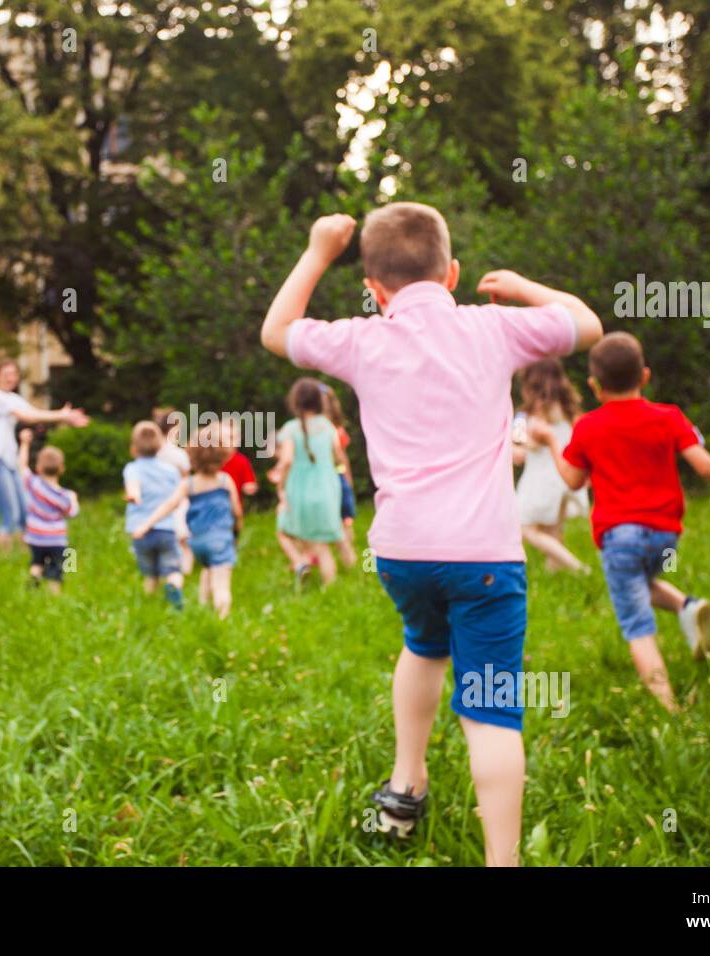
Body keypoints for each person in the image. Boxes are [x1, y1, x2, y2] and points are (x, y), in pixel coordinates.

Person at [261, 203, 602, 864]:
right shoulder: (492, 327)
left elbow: (278, 330)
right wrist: (522, 287)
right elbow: (586, 322)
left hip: (402, 554)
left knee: (423, 645)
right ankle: (502, 859)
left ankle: (404, 786)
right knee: (490, 709)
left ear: (374, 288)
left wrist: (316, 250)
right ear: (452, 273)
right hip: (484, 558)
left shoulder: (362, 339)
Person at [530, 331, 710, 712]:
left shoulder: (588, 427)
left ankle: (669, 710)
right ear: (644, 377)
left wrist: (551, 441)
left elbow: (573, 479)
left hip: (619, 536)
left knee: (636, 625)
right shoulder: (669, 417)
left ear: (594, 386)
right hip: (666, 537)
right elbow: (706, 466)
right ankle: (687, 606)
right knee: (641, 582)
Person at [133, 422, 242, 619]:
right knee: (221, 583)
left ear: (191, 455)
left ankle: (201, 607)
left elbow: (168, 505)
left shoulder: (189, 484)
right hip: (221, 540)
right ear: (223, 454)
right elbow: (237, 511)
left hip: (198, 543)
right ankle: (222, 618)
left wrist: (146, 524)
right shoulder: (226, 481)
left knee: (207, 570)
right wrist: (236, 531)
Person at [0, 358, 88, 555]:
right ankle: (5, 559)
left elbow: (35, 412)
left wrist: (63, 415)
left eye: (14, 374)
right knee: (10, 515)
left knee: (24, 514)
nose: (11, 378)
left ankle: (27, 556)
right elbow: (27, 417)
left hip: (10, 462)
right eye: (6, 374)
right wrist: (61, 416)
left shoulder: (12, 398)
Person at [512, 359, 590, 573]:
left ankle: (579, 569)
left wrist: (517, 447)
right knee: (552, 532)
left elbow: (519, 445)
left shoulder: (530, 414)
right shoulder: (568, 411)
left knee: (525, 528)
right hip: (566, 476)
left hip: (542, 480)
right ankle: (554, 578)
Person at [269, 378, 343, 587]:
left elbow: (286, 460)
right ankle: (330, 590)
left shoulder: (291, 429)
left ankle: (301, 562)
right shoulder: (328, 426)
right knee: (321, 544)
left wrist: (280, 484)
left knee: (288, 530)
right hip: (327, 487)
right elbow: (338, 455)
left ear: (295, 401)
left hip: (300, 489)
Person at [124, 421, 185, 609]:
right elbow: (178, 496)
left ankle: (149, 607)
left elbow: (133, 487)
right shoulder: (171, 470)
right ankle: (173, 586)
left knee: (150, 574)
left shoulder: (132, 469)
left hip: (141, 531)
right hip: (166, 528)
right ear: (160, 447)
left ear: (133, 449)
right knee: (173, 570)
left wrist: (134, 495)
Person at [17, 428, 79, 594]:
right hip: (56, 539)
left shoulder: (33, 484)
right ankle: (55, 594)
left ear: (38, 467)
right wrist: (74, 498)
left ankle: (34, 581)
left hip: (35, 537)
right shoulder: (64, 496)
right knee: (57, 567)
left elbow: (21, 466)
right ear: (61, 469)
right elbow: (72, 513)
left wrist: (24, 443)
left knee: (37, 562)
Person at [320, 384, 359, 567]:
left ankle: (345, 552)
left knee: (339, 517)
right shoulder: (336, 429)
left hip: (328, 479)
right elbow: (343, 461)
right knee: (345, 518)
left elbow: (341, 458)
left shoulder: (322, 430)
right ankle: (347, 553)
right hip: (338, 478)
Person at [153, 407, 194, 575]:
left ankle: (161, 569)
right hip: (177, 501)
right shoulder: (178, 454)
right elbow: (187, 478)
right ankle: (184, 570)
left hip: (156, 500)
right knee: (184, 541)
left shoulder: (153, 452)